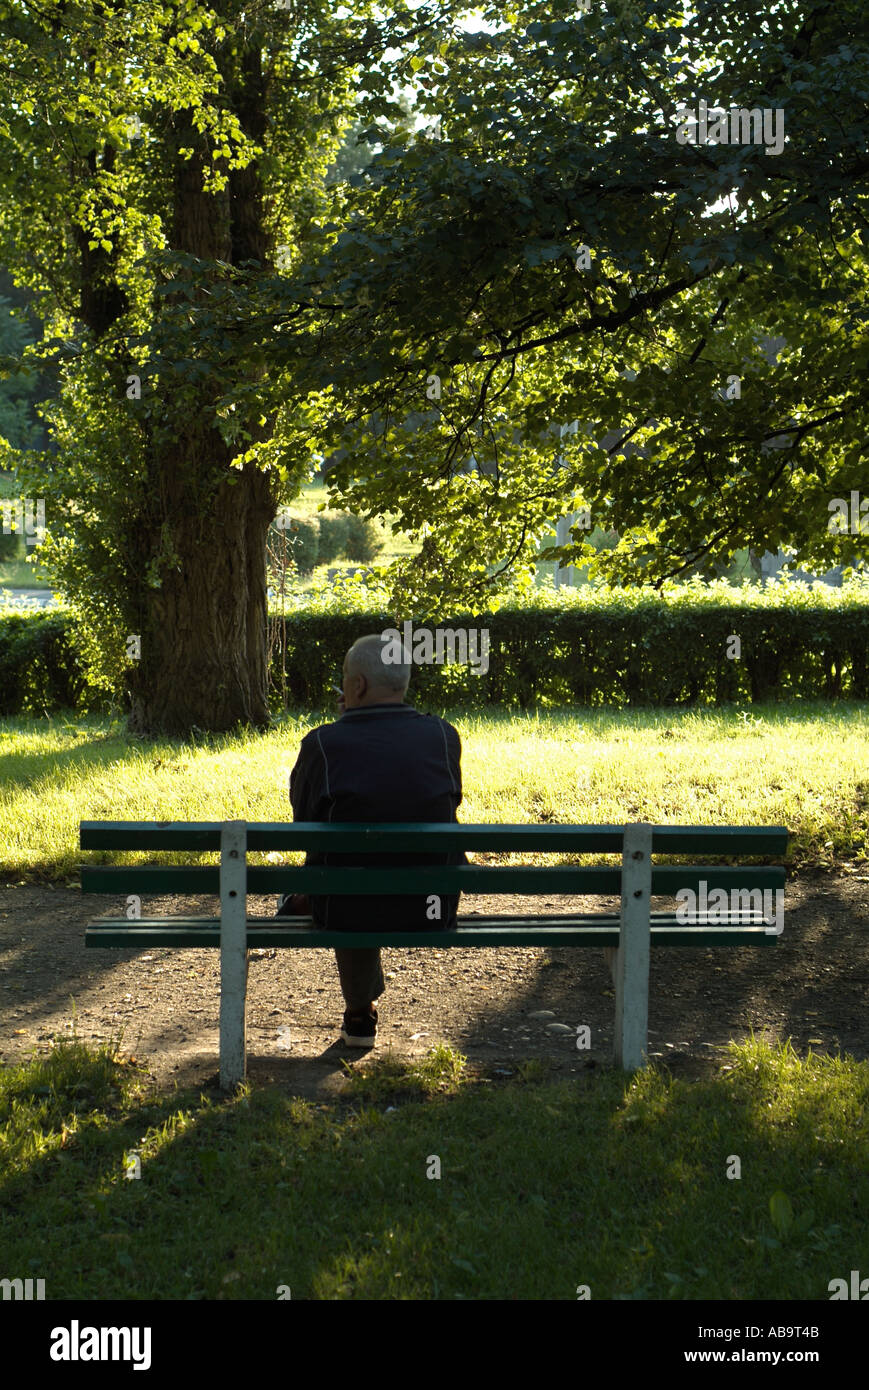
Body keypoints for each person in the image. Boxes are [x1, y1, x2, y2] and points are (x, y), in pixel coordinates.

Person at [276, 633, 465, 1047]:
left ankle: (359, 1014)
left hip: (346, 907)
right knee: (353, 873)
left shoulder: (323, 743)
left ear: (356, 685)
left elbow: (303, 824)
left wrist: (343, 730)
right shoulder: (444, 736)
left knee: (345, 875)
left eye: (345, 679)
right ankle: (357, 1006)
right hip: (431, 906)